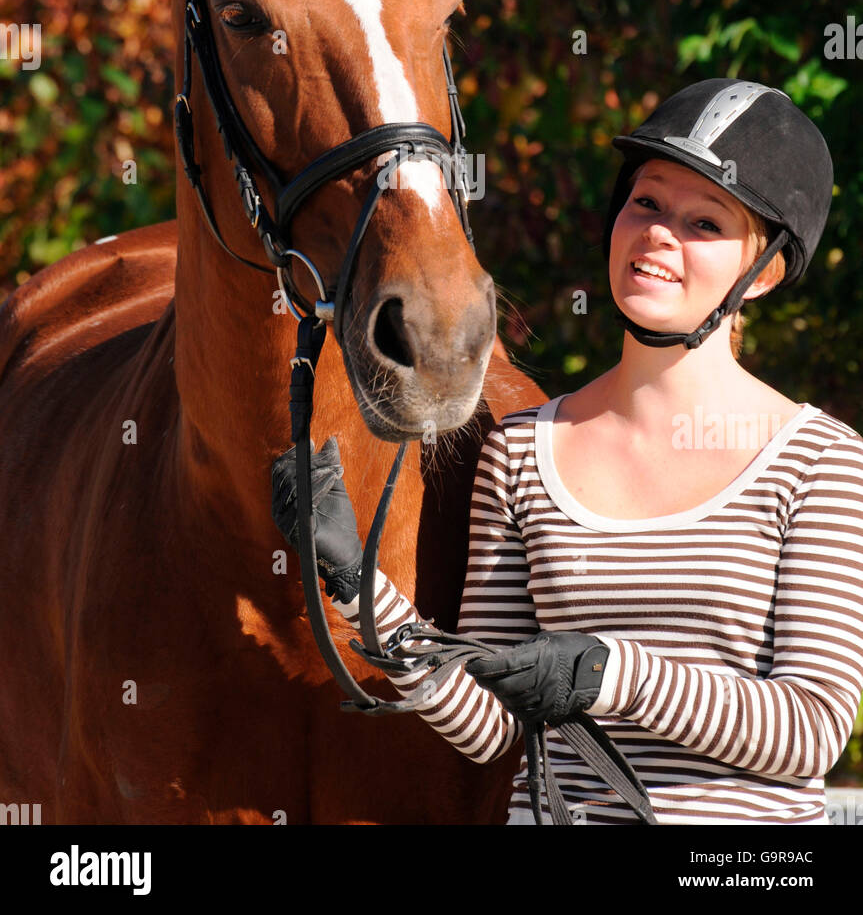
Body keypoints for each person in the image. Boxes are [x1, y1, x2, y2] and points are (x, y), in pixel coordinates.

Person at [273, 78, 863, 825]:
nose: (658, 234)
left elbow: (809, 730)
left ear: (765, 271)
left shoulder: (820, 460)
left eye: (704, 223)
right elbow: (490, 730)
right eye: (646, 202)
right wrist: (355, 586)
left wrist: (610, 675)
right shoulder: (522, 449)